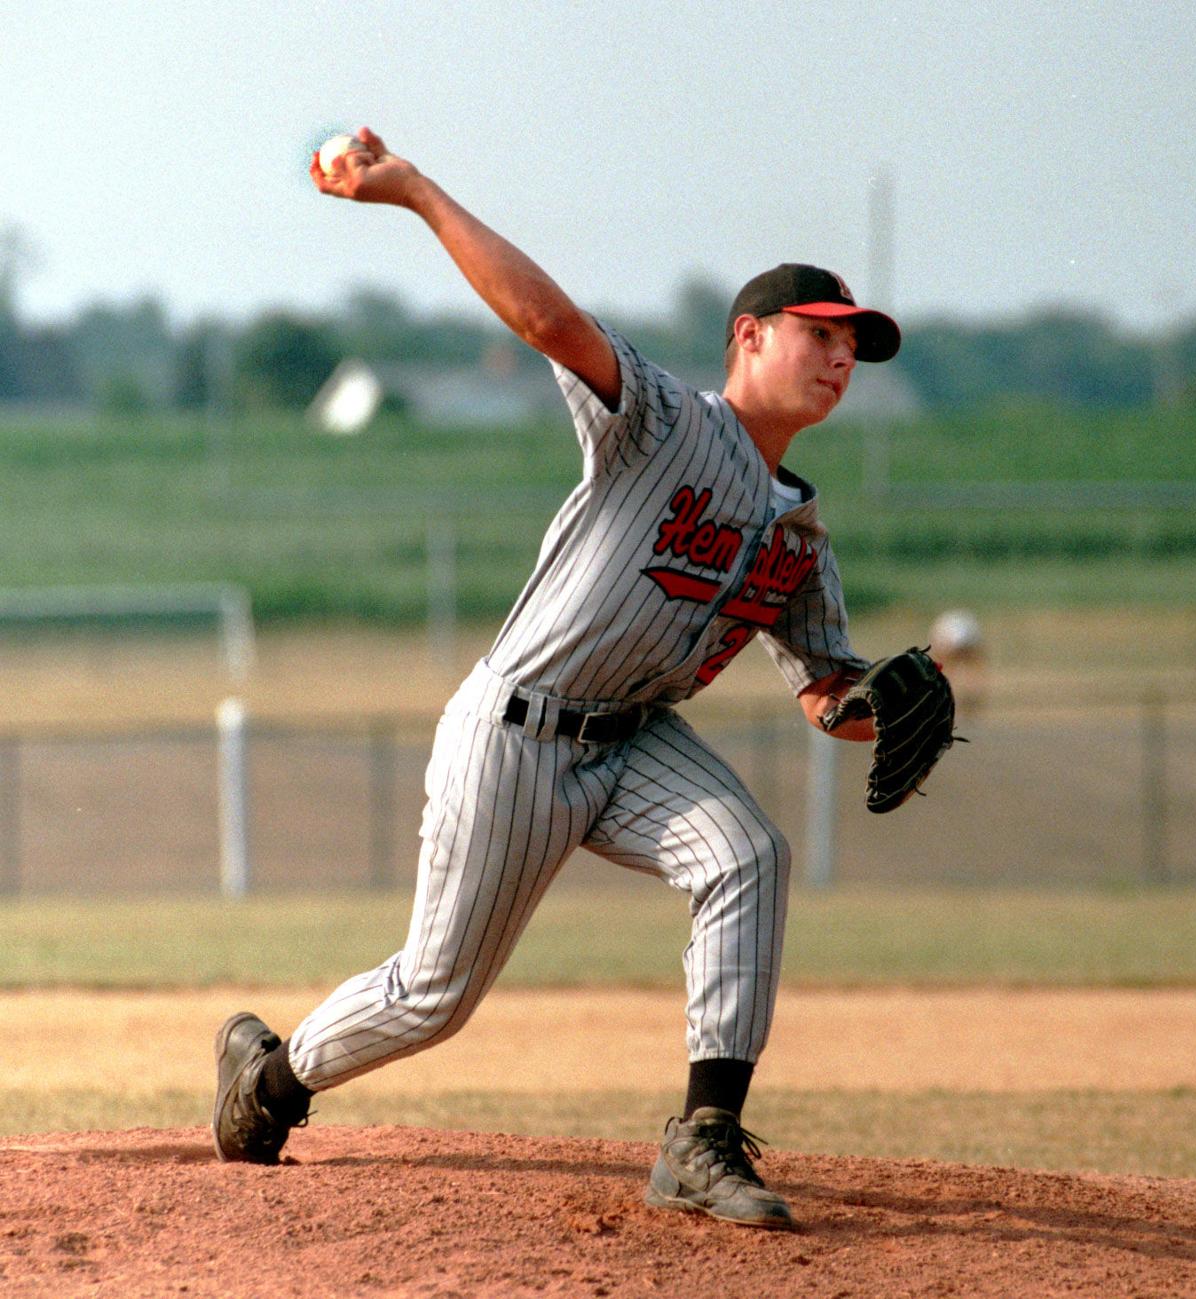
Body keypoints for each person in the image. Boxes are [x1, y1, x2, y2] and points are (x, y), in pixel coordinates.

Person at [212, 126, 900, 1231]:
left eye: (853, 346)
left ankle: (702, 1137)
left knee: (749, 854)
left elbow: (829, 696)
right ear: (750, 335)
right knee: (434, 996)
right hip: (515, 734)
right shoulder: (666, 424)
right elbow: (545, 322)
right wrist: (414, 191)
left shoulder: (800, 535)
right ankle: (271, 1079)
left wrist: (888, 710)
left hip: (635, 740)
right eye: (820, 334)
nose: (841, 359)